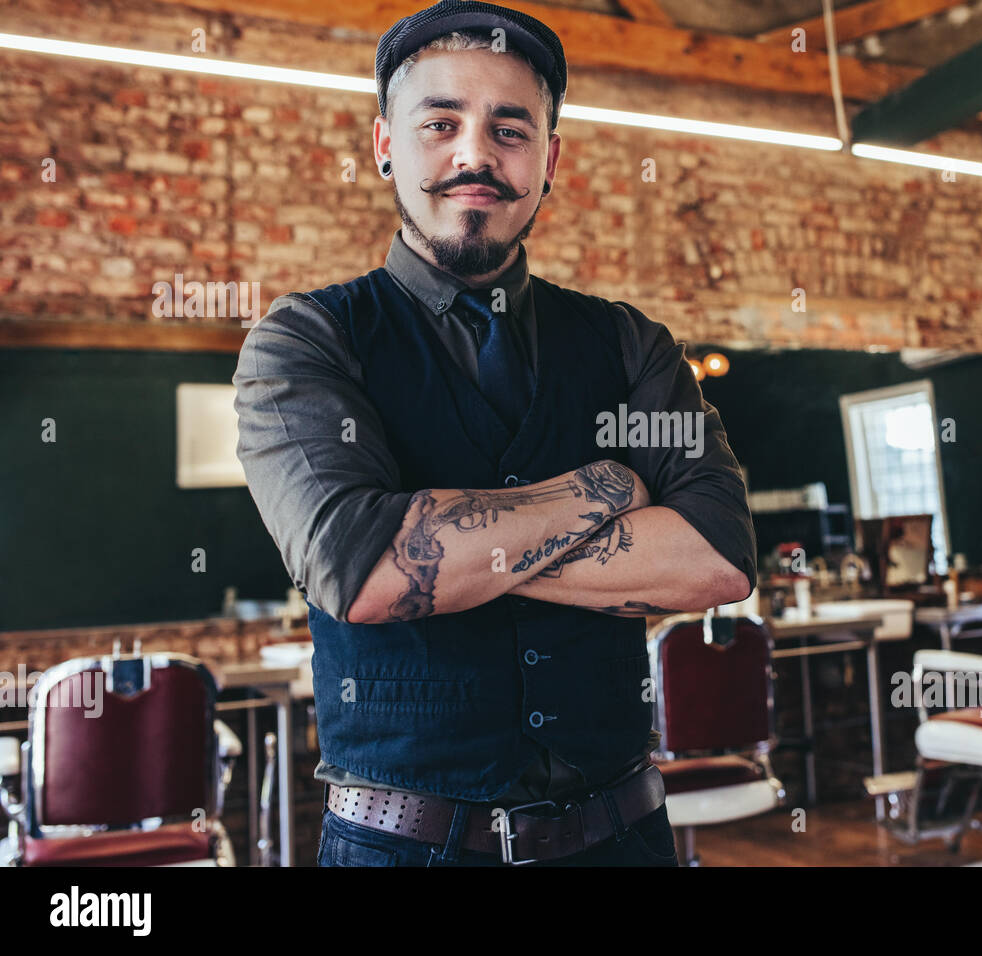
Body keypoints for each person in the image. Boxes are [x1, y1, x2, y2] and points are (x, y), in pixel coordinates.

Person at [232, 0, 756, 866]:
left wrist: (453, 556)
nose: (475, 155)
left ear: (549, 161)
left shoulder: (630, 344)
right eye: (440, 124)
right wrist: (610, 488)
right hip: (401, 846)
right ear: (385, 145)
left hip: (623, 835)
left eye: (510, 131)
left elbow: (718, 557)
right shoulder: (306, 340)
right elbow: (362, 572)